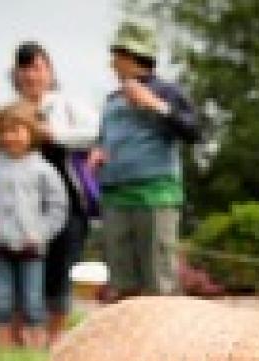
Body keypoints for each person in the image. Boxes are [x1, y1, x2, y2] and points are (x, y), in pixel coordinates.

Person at [91, 21, 202, 300]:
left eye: (117, 56)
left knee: (158, 279)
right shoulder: (112, 99)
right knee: (122, 281)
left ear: (132, 56)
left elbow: (194, 132)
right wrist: (98, 151)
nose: (112, 63)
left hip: (154, 194)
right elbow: (106, 139)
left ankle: (164, 342)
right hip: (116, 195)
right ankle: (131, 340)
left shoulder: (167, 91)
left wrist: (155, 104)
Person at [11, 42, 100, 346]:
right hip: (22, 205)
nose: (30, 75)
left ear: (49, 72)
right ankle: (24, 332)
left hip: (68, 199)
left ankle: (55, 336)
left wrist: (54, 134)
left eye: (36, 67)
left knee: (61, 268)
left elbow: (97, 132)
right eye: (24, 68)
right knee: (23, 266)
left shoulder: (67, 106)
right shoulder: (12, 110)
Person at [0, 102, 68, 348]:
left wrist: (42, 232)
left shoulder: (43, 169)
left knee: (33, 299)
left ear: (31, 132)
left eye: (17, 130)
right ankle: (4, 341)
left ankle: (35, 342)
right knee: (1, 298)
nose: (11, 137)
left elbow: (58, 206)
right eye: (6, 131)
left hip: (31, 245)